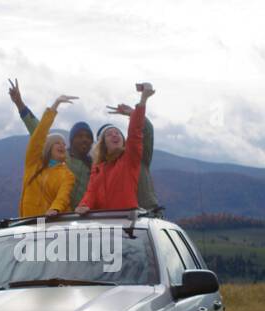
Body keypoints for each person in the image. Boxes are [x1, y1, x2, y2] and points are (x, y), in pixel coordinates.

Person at [8, 79, 159, 210]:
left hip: (137, 219)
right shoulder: (65, 160)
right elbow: (40, 134)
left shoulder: (101, 165)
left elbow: (143, 133)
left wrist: (135, 112)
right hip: (79, 221)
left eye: (88, 137)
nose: (84, 140)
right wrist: (21, 105)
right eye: (79, 136)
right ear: (71, 141)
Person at [76, 82, 155, 213]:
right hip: (106, 222)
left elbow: (136, 133)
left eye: (118, 133)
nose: (114, 135)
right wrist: (84, 205)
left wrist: (142, 102)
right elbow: (91, 192)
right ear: (103, 144)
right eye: (109, 134)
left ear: (124, 141)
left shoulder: (129, 159)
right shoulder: (98, 168)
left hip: (128, 222)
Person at [19, 94, 78, 218]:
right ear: (48, 147)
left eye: (64, 144)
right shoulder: (33, 164)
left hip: (52, 223)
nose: (62, 146)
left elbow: (64, 195)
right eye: (57, 143)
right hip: (27, 223)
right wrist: (55, 105)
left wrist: (55, 209)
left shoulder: (67, 175)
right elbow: (39, 134)